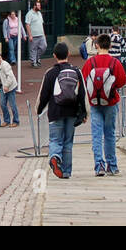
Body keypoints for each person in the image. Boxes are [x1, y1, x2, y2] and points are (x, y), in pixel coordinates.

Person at [36, 42, 86, 179]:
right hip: (71, 112)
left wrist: (39, 110)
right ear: (68, 54)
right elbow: (82, 93)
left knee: (55, 140)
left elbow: (44, 95)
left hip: (55, 112)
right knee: (68, 142)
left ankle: (55, 157)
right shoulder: (76, 71)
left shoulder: (50, 73)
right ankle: (66, 172)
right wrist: (84, 112)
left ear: (54, 56)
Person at [81, 32, 126, 176]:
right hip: (111, 102)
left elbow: (83, 82)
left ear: (97, 45)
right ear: (110, 46)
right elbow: (121, 82)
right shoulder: (115, 63)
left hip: (94, 103)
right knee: (110, 134)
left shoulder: (90, 63)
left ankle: (99, 166)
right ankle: (112, 165)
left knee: (96, 135)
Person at [0, 52, 19, 127]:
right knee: (2, 104)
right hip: (3, 87)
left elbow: (10, 77)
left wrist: (6, 86)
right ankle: (6, 120)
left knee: (12, 105)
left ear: (2, 58)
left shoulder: (5, 65)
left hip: (10, 87)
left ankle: (16, 121)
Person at [25, 0, 47, 69]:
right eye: (38, 5)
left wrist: (44, 34)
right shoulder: (29, 14)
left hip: (41, 34)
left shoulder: (39, 13)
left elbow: (41, 24)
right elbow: (27, 25)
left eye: (40, 5)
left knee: (44, 46)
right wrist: (30, 35)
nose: (40, 6)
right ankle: (34, 62)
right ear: (34, 6)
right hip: (34, 35)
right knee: (33, 49)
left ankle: (37, 58)